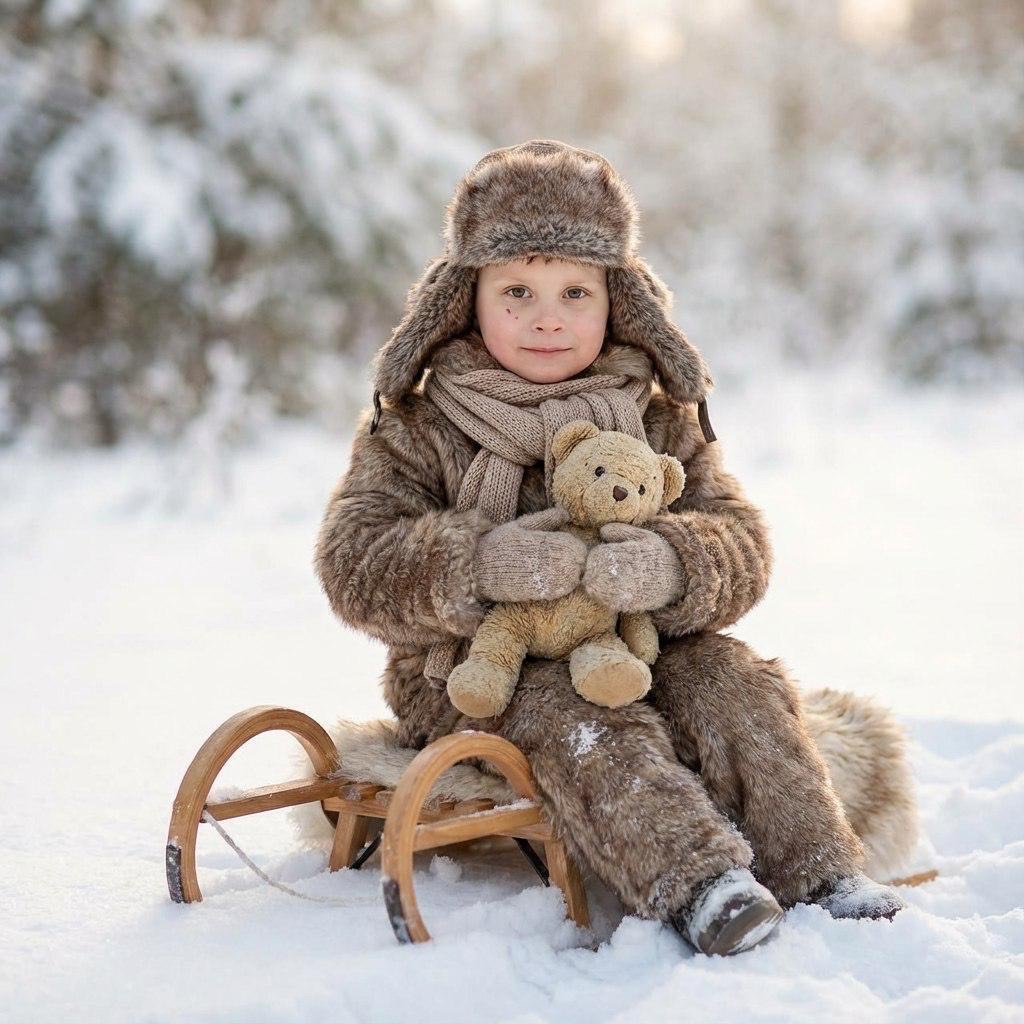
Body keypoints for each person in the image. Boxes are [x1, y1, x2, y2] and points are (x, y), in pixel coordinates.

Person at [314, 139, 910, 956]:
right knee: (580, 713)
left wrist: (671, 564)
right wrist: (478, 563)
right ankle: (700, 883)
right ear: (465, 300)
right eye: (516, 290)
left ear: (617, 302)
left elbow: (739, 540)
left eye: (574, 292)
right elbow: (353, 560)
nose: (547, 315)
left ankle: (820, 870)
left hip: (639, 642)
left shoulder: (656, 412)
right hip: (472, 673)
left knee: (731, 681)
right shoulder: (420, 424)